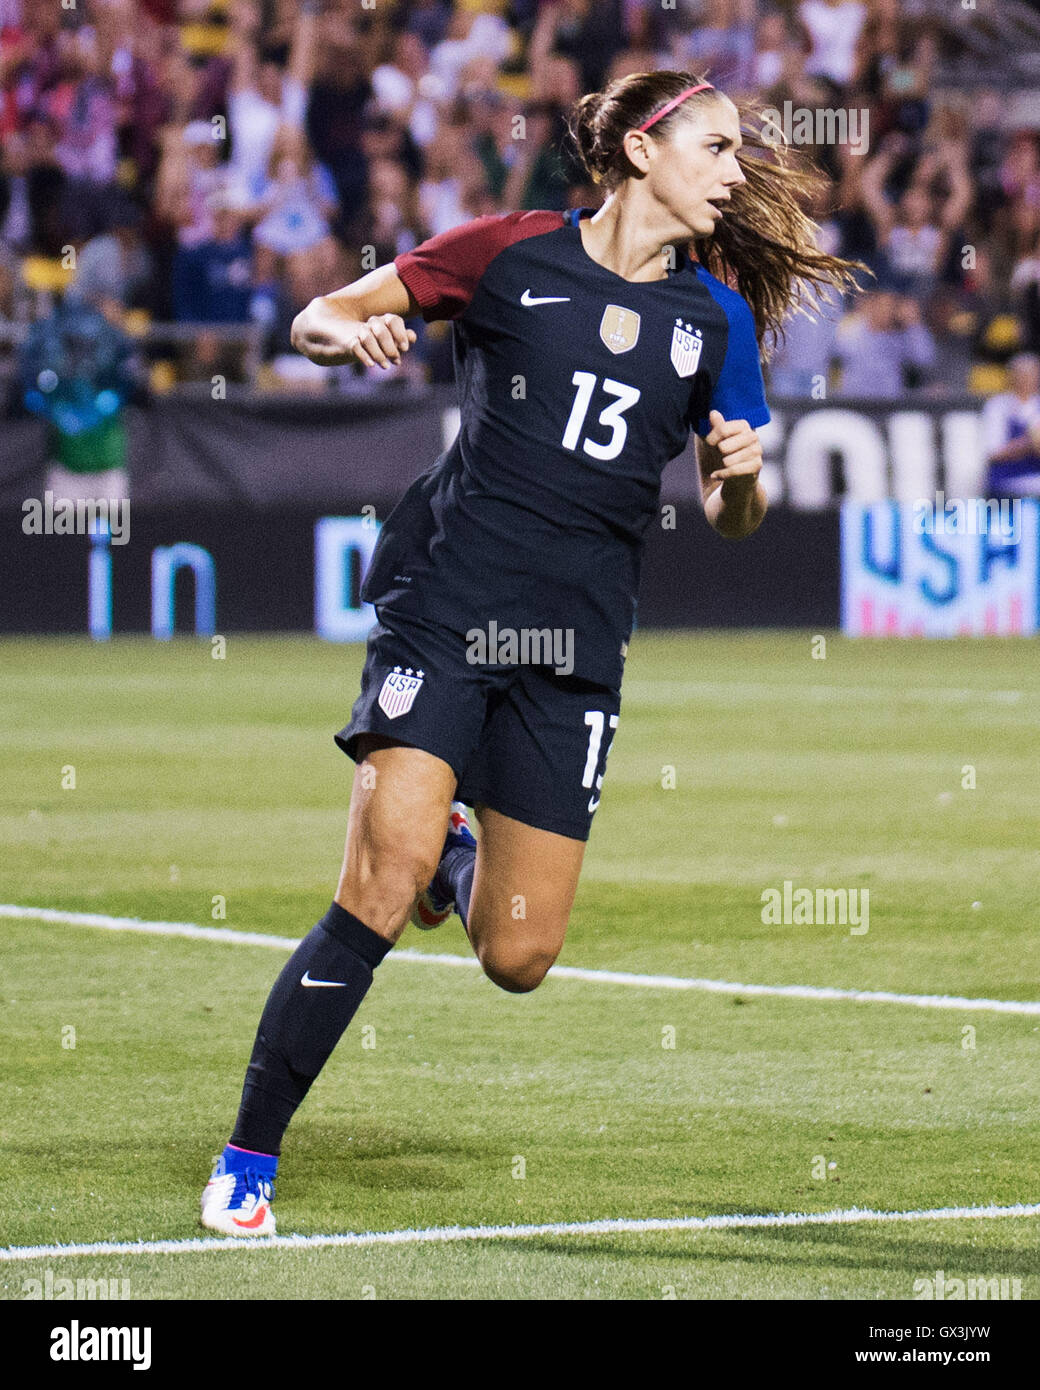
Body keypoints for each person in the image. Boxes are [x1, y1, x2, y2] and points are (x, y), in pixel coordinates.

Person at [200, 69, 862, 1237]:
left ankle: (460, 854)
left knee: (517, 952)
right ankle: (248, 1155)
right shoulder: (508, 253)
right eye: (710, 147)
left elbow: (730, 515)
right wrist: (350, 337)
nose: (731, 170)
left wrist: (743, 477)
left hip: (576, 648)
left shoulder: (712, 322)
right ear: (641, 151)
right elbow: (319, 316)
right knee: (376, 880)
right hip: (447, 606)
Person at [981, 352, 1040, 496]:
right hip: (1007, 480)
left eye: (1032, 374)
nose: (1028, 380)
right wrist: (1028, 443)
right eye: (1022, 375)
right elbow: (993, 453)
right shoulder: (998, 406)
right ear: (1012, 376)